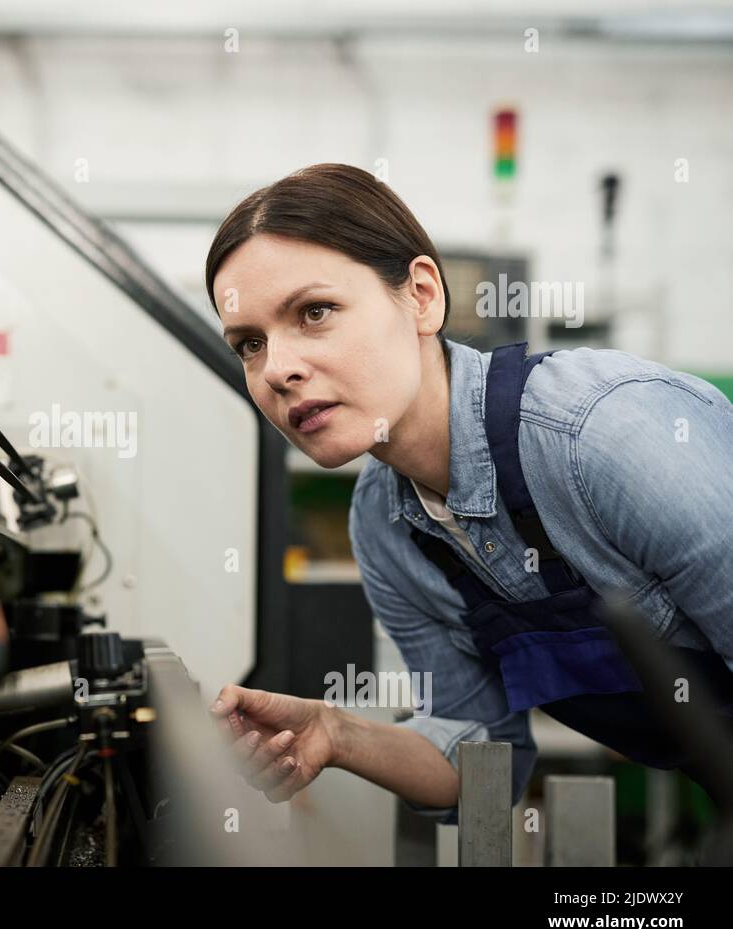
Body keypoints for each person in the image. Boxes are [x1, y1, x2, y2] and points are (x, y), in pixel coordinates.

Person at [203, 163, 733, 822]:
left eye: (316, 312)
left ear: (422, 296)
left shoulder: (603, 436)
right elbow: (482, 753)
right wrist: (335, 734)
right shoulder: (385, 524)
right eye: (249, 344)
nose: (278, 369)